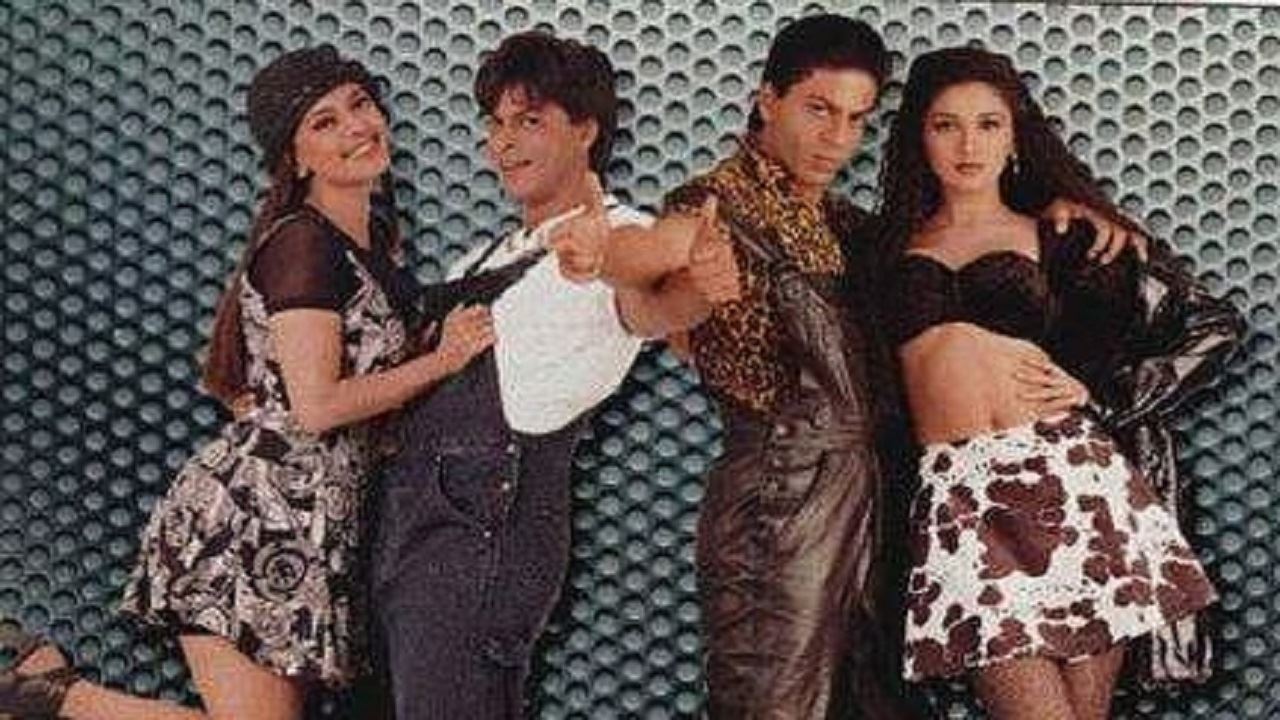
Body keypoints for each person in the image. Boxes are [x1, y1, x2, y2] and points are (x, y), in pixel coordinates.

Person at [547, 13, 1151, 720]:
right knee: (776, 706)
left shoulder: (845, 224)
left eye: (857, 118)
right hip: (782, 503)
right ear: (767, 100)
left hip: (879, 498)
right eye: (818, 110)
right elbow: (659, 248)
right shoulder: (723, 202)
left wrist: (1062, 211)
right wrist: (600, 253)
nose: (836, 137)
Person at [0, 46, 496, 720]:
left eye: (360, 104)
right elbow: (316, 407)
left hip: (307, 527)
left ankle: (41, 688)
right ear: (295, 157)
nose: (356, 126)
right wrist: (443, 359)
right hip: (255, 520)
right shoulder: (304, 244)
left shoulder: (369, 245)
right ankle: (52, 697)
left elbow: (272, 392)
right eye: (324, 121)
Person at [368, 32, 737, 720]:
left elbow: (657, 294)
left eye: (530, 120)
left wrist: (701, 279)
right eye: (496, 123)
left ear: (586, 130)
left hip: (488, 526)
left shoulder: (617, 233)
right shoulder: (480, 258)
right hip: (410, 523)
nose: (504, 142)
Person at [880, 47, 1244, 720]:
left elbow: (1216, 325)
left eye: (988, 124)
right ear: (918, 138)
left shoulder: (1067, 234)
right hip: (961, 499)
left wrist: (1106, 396)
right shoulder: (880, 246)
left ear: (1016, 135)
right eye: (946, 125)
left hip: (1071, 482)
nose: (968, 145)